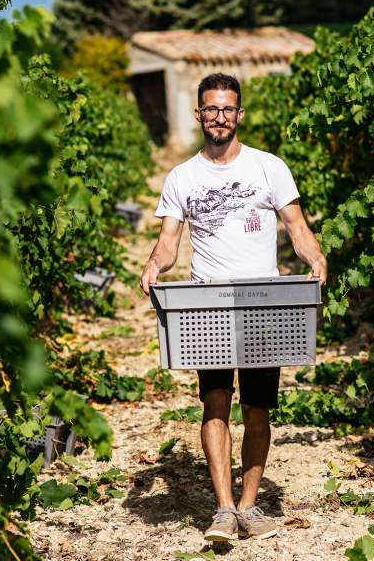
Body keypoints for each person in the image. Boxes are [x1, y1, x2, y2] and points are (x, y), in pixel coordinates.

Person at [139, 73, 327, 542]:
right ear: (198, 114)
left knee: (257, 409)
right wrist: (153, 266)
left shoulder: (270, 167)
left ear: (239, 115)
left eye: (228, 109)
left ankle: (249, 506)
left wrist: (315, 256)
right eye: (211, 109)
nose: (219, 117)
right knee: (216, 403)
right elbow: (168, 244)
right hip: (208, 305)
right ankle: (222, 509)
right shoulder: (181, 176)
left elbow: (296, 226)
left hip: (263, 302)